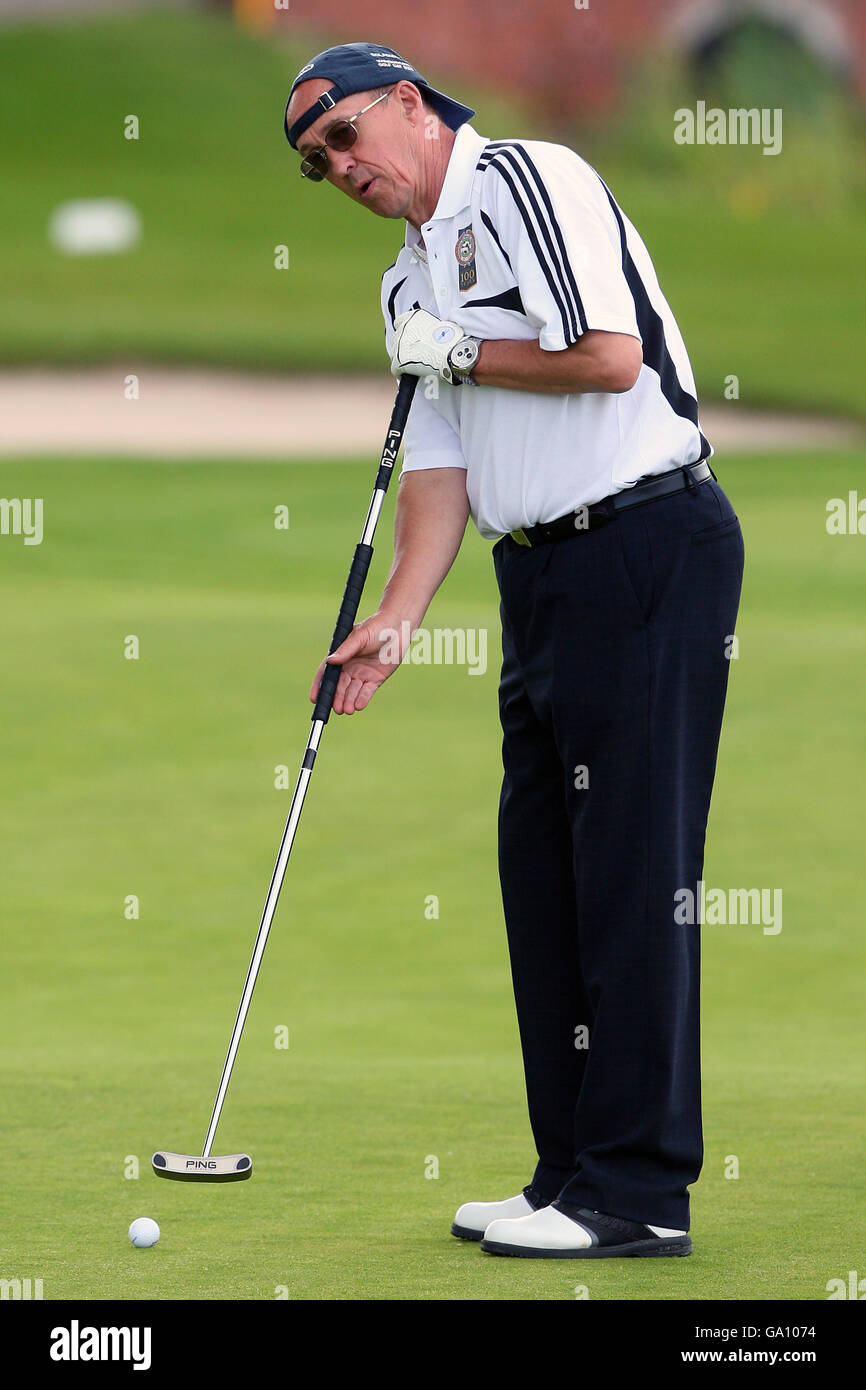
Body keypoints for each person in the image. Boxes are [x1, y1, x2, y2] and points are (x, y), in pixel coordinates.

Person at [285, 42, 744, 1259]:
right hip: (536, 572)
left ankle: (638, 1190)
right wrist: (398, 612)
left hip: (647, 542)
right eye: (315, 162)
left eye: (342, 135)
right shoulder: (402, 285)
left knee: (632, 872)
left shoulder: (526, 181)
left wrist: (457, 350)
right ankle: (567, 1176)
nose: (338, 166)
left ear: (405, 102)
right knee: (543, 877)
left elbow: (608, 358)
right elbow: (438, 464)